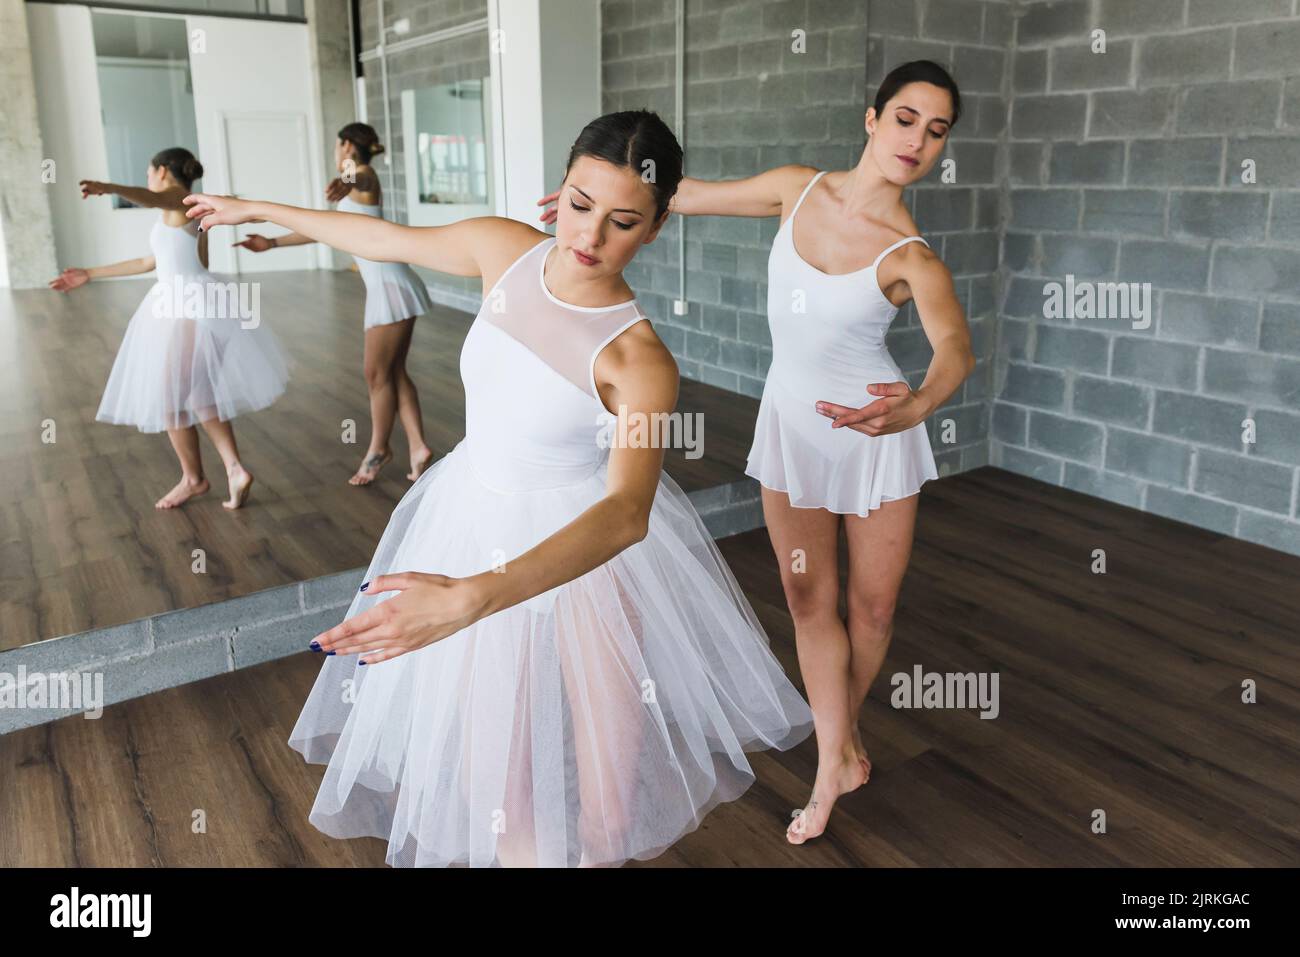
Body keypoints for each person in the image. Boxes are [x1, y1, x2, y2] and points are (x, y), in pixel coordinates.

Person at [185, 109, 815, 867]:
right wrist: (255, 207)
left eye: (622, 222)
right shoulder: (502, 250)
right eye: (580, 205)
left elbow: (624, 513)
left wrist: (473, 593)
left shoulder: (640, 362)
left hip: (582, 556)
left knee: (612, 798)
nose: (590, 237)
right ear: (560, 190)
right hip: (469, 516)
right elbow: (381, 239)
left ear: (653, 229)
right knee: (494, 784)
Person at [540, 59, 976, 844]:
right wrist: (597, 205)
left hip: (874, 435)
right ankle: (838, 752)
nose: (917, 140)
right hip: (792, 427)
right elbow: (682, 194)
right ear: (871, 120)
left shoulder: (912, 254)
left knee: (871, 605)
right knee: (810, 599)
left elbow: (954, 353)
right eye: (906, 118)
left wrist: (917, 404)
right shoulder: (795, 188)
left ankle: (834, 750)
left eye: (936, 130)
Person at [50, 147, 289, 510]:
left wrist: (109, 186)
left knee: (169, 395)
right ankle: (234, 469)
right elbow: (152, 261)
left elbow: (149, 197)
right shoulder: (187, 209)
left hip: (187, 305)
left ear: (163, 171)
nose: (148, 179)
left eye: (149, 172)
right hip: (192, 299)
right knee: (197, 392)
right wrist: (90, 274)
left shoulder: (178, 198)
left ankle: (194, 479)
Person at [236, 123, 436, 485]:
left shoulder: (365, 177)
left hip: (391, 288)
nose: (335, 152)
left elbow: (359, 176)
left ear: (346, 145)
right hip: (391, 286)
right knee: (393, 372)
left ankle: (378, 449)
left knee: (375, 375)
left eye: (337, 146)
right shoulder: (350, 191)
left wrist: (346, 177)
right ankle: (418, 446)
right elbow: (321, 229)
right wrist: (272, 243)